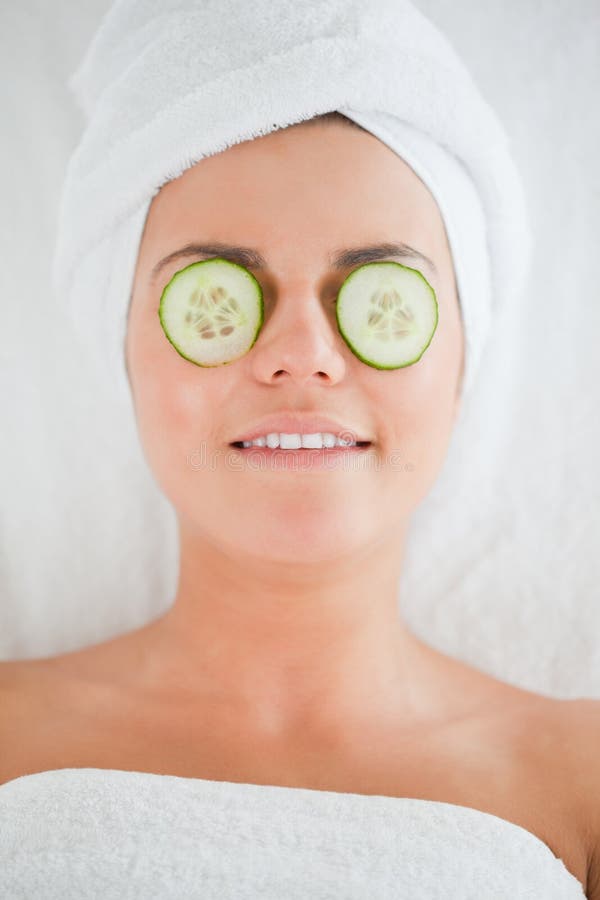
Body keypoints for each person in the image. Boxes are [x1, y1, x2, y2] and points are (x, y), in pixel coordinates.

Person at [0, 112, 599, 896]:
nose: (302, 356)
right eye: (215, 294)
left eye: (380, 297)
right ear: (128, 358)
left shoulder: (581, 773)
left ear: (459, 365)